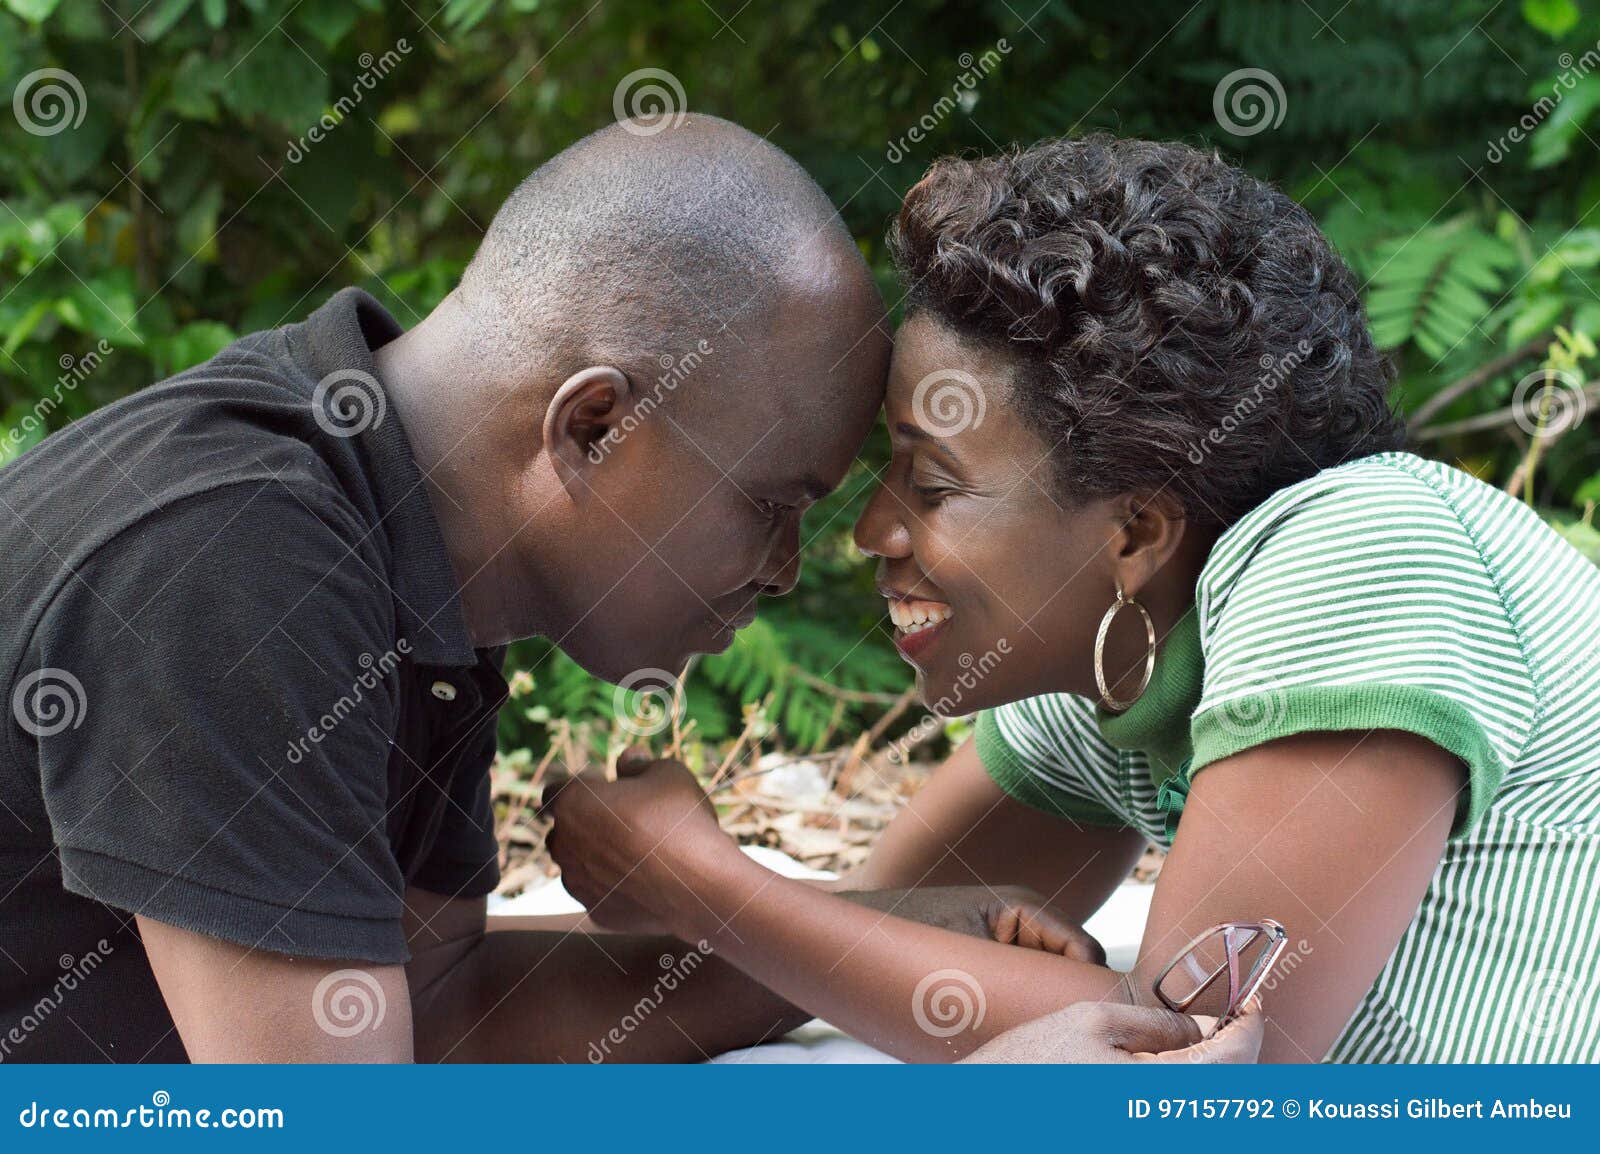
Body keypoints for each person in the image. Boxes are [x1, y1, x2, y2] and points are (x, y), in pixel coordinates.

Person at [546, 135, 1600, 1063]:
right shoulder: (1110, 669)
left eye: (934, 481)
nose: (870, 533)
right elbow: (820, 957)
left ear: (1135, 533)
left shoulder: (1359, 550)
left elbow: (1190, 1064)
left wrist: (704, 881)